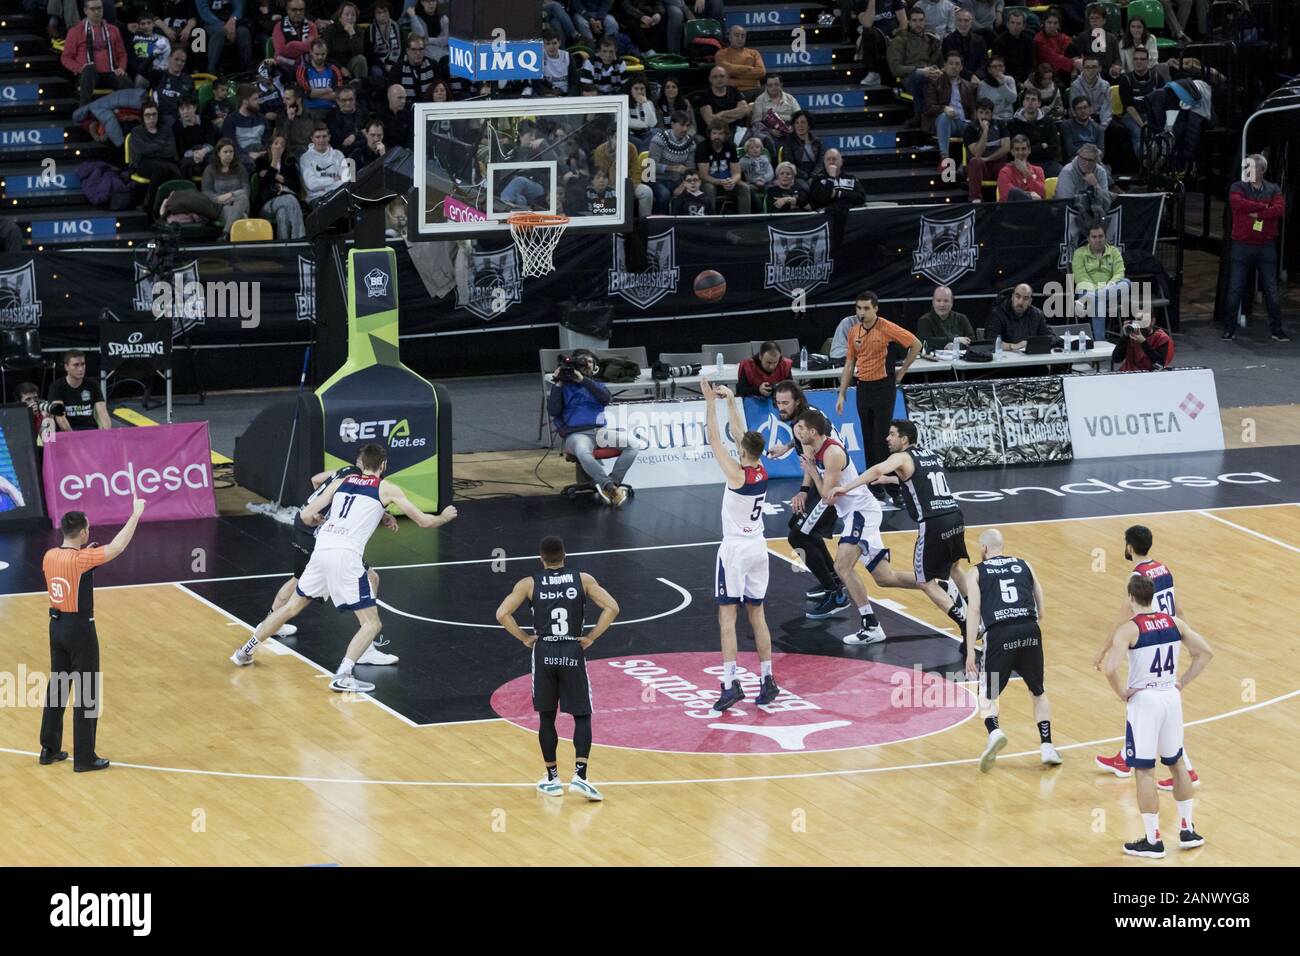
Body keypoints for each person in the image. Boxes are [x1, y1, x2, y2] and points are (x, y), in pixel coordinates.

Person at [232, 444, 458, 692]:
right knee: (372, 624)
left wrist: (322, 519)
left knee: (291, 608)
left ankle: (245, 650)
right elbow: (424, 521)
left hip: (322, 549)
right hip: (346, 556)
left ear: (360, 463)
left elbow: (307, 515)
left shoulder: (343, 480)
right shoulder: (387, 488)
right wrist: (445, 516)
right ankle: (344, 673)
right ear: (383, 465)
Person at [494, 536, 620, 801]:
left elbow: (502, 613)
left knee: (547, 716)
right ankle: (581, 776)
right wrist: (591, 637)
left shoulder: (529, 583)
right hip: (572, 649)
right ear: (565, 555)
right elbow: (612, 607)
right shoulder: (583, 579)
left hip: (544, 651)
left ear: (541, 558)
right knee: (582, 715)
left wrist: (524, 638)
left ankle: (552, 779)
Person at [826, 419, 971, 639]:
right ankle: (978, 610)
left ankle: (967, 623)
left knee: (924, 582)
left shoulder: (901, 457)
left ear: (904, 439)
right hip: (955, 516)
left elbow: (875, 470)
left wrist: (846, 486)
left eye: (892, 434)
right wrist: (891, 479)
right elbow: (921, 480)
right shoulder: (930, 454)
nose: (887, 438)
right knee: (954, 568)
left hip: (933, 522)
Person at [1103, 575, 1212, 858]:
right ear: (1152, 596)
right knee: (1176, 763)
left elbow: (1110, 668)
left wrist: (1123, 693)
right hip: (1170, 698)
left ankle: (1153, 840)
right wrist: (1182, 681)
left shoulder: (1129, 629)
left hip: (1145, 701)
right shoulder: (1174, 622)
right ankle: (1188, 829)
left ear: (1130, 598)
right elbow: (1205, 653)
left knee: (1144, 770)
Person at [40, 500, 146, 772]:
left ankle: (48, 749)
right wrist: (135, 514)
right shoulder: (82, 560)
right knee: (87, 691)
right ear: (84, 532)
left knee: (59, 687)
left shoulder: (50, 556)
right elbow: (118, 547)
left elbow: (72, 569)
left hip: (56, 626)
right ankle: (85, 758)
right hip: (80, 629)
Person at [261, 457, 400, 663]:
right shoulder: (356, 479)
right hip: (319, 533)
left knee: (298, 579)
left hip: (303, 524)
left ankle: (270, 622)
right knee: (371, 577)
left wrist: (322, 507)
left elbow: (315, 480)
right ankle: (366, 649)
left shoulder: (343, 471)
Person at [1093, 525, 1199, 789]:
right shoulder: (1164, 568)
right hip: (1167, 633)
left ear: (1129, 547)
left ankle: (1187, 769)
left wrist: (1103, 649)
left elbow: (1123, 617)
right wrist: (1185, 636)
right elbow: (1178, 606)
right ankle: (1125, 757)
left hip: (1146, 636)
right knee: (1153, 704)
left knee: (1141, 700)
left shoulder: (1136, 578)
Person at [701, 378, 780, 712]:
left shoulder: (736, 474)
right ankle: (767, 678)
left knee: (727, 617)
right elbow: (740, 433)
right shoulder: (760, 469)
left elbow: (716, 439)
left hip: (735, 549)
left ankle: (732, 682)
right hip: (759, 547)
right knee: (757, 615)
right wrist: (731, 399)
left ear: (743, 453)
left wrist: (710, 402)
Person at [964, 528, 1063, 772]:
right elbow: (1038, 590)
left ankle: (995, 732)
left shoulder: (976, 571)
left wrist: (969, 650)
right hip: (1029, 629)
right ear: (1002, 546)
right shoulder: (1023, 564)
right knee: (1038, 691)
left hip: (1000, 633)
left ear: (984, 549)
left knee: (986, 693)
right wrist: (1039, 612)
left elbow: (974, 611)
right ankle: (1047, 746)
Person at [798, 410, 889, 644]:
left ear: (813, 432)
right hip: (854, 514)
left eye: (801, 428)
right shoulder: (814, 448)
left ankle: (871, 625)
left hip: (861, 512)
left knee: (842, 566)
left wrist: (811, 472)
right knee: (886, 578)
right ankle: (931, 583)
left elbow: (828, 498)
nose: (797, 432)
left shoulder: (832, 453)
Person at [835, 291, 921, 506]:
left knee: (884, 438)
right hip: (863, 387)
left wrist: (901, 372)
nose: (862, 312)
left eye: (866, 308)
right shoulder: (854, 331)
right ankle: (875, 487)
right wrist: (842, 393)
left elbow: (916, 344)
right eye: (858, 308)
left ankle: (894, 488)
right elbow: (849, 364)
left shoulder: (887, 327)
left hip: (884, 386)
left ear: (875, 309)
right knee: (868, 438)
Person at [771, 382, 846, 616]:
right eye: (778, 403)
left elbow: (810, 459)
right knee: (799, 528)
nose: (780, 407)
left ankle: (836, 593)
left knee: (798, 536)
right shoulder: (808, 416)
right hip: (823, 477)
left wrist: (803, 490)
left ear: (797, 401)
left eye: (785, 403)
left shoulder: (804, 422)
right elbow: (806, 445)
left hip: (832, 485)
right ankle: (833, 578)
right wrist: (787, 445)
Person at [547, 349, 637, 506]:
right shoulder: (563, 387)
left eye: (590, 362)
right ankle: (608, 487)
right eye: (582, 361)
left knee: (633, 445)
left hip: (600, 432)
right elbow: (553, 411)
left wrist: (583, 381)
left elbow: (605, 399)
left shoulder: (597, 385)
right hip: (576, 435)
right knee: (583, 452)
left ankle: (612, 484)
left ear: (595, 367)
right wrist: (558, 383)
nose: (586, 364)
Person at [1220, 153, 1290, 342]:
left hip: (1266, 245)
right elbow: (1237, 204)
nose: (1248, 170)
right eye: (1246, 167)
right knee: (1235, 288)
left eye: (1252, 167)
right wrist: (1265, 208)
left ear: (1262, 170)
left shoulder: (1273, 188)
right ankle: (1229, 328)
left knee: (1271, 290)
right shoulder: (1237, 187)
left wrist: (1257, 212)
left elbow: (1280, 209)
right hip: (1241, 245)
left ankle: (1277, 329)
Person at [60, 0, 130, 105]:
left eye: (99, 8)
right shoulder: (75, 31)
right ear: (85, 11)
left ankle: (128, 114)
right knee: (88, 71)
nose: (97, 12)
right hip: (89, 74)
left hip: (111, 71)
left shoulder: (113, 30)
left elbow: (122, 54)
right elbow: (66, 57)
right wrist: (79, 68)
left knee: (126, 81)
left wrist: (121, 67)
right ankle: (83, 112)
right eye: (93, 9)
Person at [887, 5, 942, 123]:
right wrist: (920, 70)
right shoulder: (899, 40)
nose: (918, 24)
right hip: (909, 77)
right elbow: (895, 69)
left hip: (930, 73)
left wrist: (937, 48)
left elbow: (938, 62)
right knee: (920, 76)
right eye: (915, 20)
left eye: (921, 20)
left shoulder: (931, 40)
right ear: (908, 22)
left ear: (925, 21)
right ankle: (920, 115)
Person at [923, 50, 976, 160]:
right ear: (945, 66)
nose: (954, 67)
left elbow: (973, 110)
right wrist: (944, 108)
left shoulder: (968, 85)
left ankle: (970, 162)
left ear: (961, 67)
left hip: (963, 123)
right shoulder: (934, 82)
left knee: (978, 127)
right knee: (944, 116)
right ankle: (944, 158)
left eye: (957, 64)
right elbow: (928, 108)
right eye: (951, 64)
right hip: (946, 123)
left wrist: (975, 122)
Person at [1117, 47, 1165, 160]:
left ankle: (1160, 159)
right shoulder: (1125, 80)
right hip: (1132, 115)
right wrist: (1143, 124)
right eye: (1136, 59)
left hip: (1152, 114)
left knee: (1161, 132)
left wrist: (1150, 120)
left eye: (1142, 59)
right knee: (1139, 132)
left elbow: (1162, 103)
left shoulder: (1157, 78)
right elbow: (1128, 106)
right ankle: (1145, 162)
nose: (1139, 62)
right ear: (1133, 61)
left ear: (1148, 61)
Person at [255, 133, 306, 238]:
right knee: (290, 199)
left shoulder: (289, 162)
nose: (279, 146)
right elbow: (264, 185)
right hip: (267, 203)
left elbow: (296, 186)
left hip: (286, 201)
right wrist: (274, 160)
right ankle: (299, 238)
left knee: (282, 213)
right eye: (276, 143)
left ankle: (284, 244)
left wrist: (282, 180)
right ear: (270, 146)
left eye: (282, 144)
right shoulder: (261, 161)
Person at [696, 120, 752, 214]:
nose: (717, 136)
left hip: (728, 181)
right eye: (714, 133)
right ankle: (711, 220)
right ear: (709, 134)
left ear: (726, 135)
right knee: (709, 188)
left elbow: (737, 173)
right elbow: (703, 176)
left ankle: (744, 220)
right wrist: (721, 182)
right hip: (710, 181)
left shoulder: (731, 146)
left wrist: (732, 181)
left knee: (744, 187)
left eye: (720, 133)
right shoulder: (702, 147)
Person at [961, 97, 1010, 202]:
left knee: (1011, 166)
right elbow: (978, 153)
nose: (983, 116)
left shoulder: (1000, 125)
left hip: (997, 165)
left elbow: (1006, 148)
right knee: (975, 161)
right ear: (976, 113)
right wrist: (985, 132)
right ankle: (975, 199)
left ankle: (1007, 200)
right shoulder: (970, 129)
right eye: (981, 112)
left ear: (992, 113)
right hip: (980, 168)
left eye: (987, 113)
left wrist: (988, 159)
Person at [48, 350, 110, 431]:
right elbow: (60, 418)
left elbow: (103, 413)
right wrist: (75, 439)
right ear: (66, 367)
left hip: (90, 430)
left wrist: (107, 434)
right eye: (76, 365)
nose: (80, 369)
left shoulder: (93, 384)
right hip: (68, 432)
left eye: (83, 364)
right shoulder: (56, 387)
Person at [850, 0, 907, 88]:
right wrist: (872, 2)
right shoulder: (860, 3)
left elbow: (903, 23)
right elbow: (867, 23)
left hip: (894, 37)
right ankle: (874, 72)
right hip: (877, 40)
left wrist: (897, 33)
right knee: (868, 31)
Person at [202, 139, 252, 238]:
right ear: (218, 153)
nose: (228, 154)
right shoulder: (210, 169)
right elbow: (206, 192)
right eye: (225, 152)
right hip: (221, 206)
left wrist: (231, 195)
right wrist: (217, 199)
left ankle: (225, 233)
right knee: (242, 217)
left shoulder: (240, 168)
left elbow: (246, 190)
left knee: (243, 198)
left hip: (241, 203)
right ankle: (232, 240)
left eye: (231, 152)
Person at [1009, 86, 1062, 178]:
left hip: (1047, 162)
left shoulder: (1048, 122)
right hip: (1022, 162)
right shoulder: (1013, 123)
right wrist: (1041, 146)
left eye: (1033, 100)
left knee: (1062, 173)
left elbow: (1054, 149)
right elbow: (1014, 151)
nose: (1030, 102)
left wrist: (1029, 150)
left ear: (1039, 103)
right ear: (1023, 102)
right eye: (1027, 99)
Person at [1055, 143, 1113, 226]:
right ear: (1078, 157)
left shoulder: (1100, 172)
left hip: (1093, 213)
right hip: (1070, 214)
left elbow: (1106, 201)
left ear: (1096, 161)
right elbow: (1066, 203)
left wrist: (1096, 185)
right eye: (1083, 159)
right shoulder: (1067, 172)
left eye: (1090, 160)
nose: (1086, 163)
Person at [648, 110, 695, 213]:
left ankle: (682, 226)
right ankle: (660, 224)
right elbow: (650, 165)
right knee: (664, 194)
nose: (685, 129)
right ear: (672, 124)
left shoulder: (690, 143)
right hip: (656, 179)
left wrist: (683, 185)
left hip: (677, 180)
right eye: (682, 125)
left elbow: (691, 169)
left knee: (689, 192)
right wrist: (672, 168)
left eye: (687, 126)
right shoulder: (659, 139)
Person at [988, 283, 1052, 350]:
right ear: (1012, 297)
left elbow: (1051, 338)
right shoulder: (998, 313)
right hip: (1006, 358)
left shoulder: (1037, 314)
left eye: (1025, 298)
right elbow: (991, 343)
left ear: (1030, 301)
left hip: (1031, 357)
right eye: (1017, 296)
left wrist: (1033, 344)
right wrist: (1013, 346)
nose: (1020, 302)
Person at [196, 0, 253, 75]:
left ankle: (247, 68)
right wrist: (225, 26)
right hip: (211, 22)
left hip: (231, 22)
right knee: (220, 32)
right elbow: (204, 11)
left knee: (243, 32)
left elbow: (238, 8)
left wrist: (233, 19)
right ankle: (211, 70)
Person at [223, 83, 270, 168]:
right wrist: (249, 153)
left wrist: (263, 151)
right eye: (255, 99)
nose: (258, 102)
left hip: (260, 151)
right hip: (241, 154)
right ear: (245, 101)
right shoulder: (231, 120)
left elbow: (266, 139)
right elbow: (231, 145)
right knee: (247, 162)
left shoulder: (262, 118)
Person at [697, 65, 751, 134]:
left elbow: (745, 110)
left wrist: (721, 114)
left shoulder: (734, 91)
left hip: (737, 131)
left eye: (722, 76)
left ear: (727, 78)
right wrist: (736, 116)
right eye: (715, 77)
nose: (719, 79)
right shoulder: (705, 95)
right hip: (716, 132)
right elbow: (710, 121)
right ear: (710, 79)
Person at [300, 123, 345, 204]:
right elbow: (312, 185)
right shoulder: (305, 158)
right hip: (317, 198)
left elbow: (347, 180)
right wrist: (334, 179)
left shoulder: (338, 154)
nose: (321, 140)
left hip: (339, 194)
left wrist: (323, 186)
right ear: (312, 139)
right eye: (317, 137)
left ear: (329, 137)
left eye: (324, 136)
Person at [272, 0, 317, 79]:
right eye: (294, 10)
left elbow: (313, 47)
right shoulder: (279, 26)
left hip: (308, 66)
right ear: (287, 10)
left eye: (301, 10)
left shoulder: (311, 26)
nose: (298, 13)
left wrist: (292, 45)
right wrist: (304, 47)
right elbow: (281, 51)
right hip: (285, 67)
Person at [297, 37, 343, 113]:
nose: (320, 57)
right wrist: (328, 90)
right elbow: (305, 93)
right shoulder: (302, 70)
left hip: (331, 110)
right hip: (310, 110)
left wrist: (314, 93)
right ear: (311, 52)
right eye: (317, 54)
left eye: (323, 54)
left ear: (327, 52)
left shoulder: (334, 69)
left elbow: (338, 94)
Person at [941, 7, 987, 82]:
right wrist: (970, 76)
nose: (963, 24)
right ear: (955, 22)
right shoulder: (948, 41)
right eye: (960, 20)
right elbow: (951, 64)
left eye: (966, 20)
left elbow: (984, 61)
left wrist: (977, 76)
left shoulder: (979, 40)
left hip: (978, 77)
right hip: (957, 77)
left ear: (971, 23)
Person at [1034, 8, 1078, 85]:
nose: (1052, 26)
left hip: (1064, 69)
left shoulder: (1062, 37)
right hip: (1047, 72)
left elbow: (1075, 53)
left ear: (1059, 24)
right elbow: (1054, 59)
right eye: (1049, 22)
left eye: (1055, 23)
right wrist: (1075, 63)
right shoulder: (1038, 39)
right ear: (1044, 23)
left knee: (1073, 48)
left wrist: (1075, 67)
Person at [991, 8, 1035, 85]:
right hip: (1006, 79)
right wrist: (1017, 82)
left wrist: (1028, 79)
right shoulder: (999, 42)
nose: (1015, 26)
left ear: (1024, 26)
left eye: (1018, 23)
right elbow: (999, 67)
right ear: (1007, 24)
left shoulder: (1028, 40)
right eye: (1012, 23)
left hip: (1025, 78)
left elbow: (1031, 64)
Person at [714, 24, 765, 90]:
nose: (740, 38)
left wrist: (733, 77)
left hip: (754, 90)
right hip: (731, 92)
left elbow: (761, 72)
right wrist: (749, 69)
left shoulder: (754, 53)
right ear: (730, 37)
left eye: (743, 36)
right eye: (737, 35)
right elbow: (725, 71)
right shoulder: (721, 54)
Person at [997, 135, 1046, 200]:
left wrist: (1026, 173)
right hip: (1014, 208)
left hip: (1034, 208)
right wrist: (1030, 195)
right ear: (1012, 152)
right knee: (1014, 192)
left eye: (1024, 149)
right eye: (1017, 149)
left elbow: (1042, 194)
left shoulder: (1038, 170)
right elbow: (1009, 195)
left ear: (1029, 150)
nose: (1020, 152)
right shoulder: (1004, 172)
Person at [1069, 54, 1113, 128]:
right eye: (1087, 67)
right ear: (1083, 68)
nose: (1091, 70)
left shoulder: (1105, 85)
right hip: (1082, 119)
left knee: (1117, 130)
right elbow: (1075, 110)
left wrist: (1103, 127)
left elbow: (1107, 109)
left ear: (1099, 68)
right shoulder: (1075, 85)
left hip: (1100, 118)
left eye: (1094, 67)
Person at [977, 55, 1017, 123]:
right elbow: (981, 105)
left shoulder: (1010, 80)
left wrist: (1002, 85)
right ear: (989, 70)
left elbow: (1012, 99)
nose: (998, 68)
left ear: (1004, 68)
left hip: (1008, 118)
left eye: (1000, 66)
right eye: (994, 66)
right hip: (992, 119)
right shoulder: (982, 84)